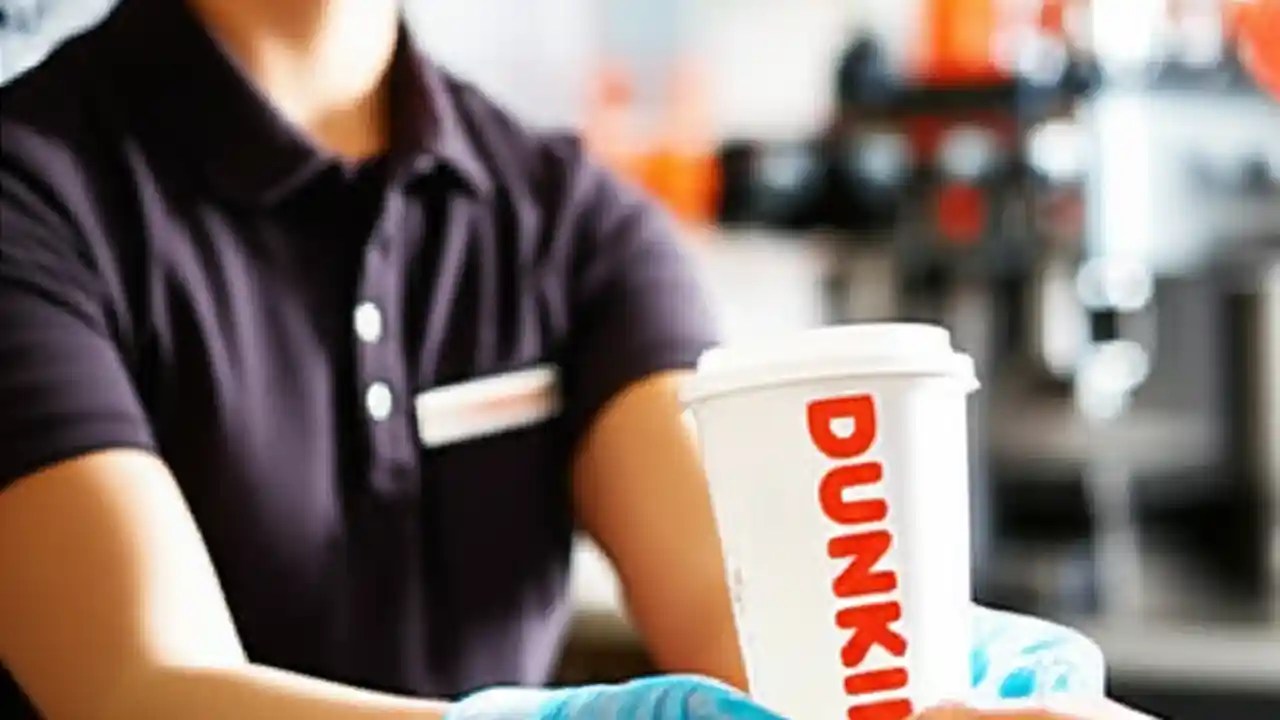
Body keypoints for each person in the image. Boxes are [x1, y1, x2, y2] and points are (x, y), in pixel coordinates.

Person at [0, 1, 1147, 718]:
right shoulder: (33, 196)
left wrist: (916, 683)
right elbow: (128, 688)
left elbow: (735, 598)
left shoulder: (569, 221)